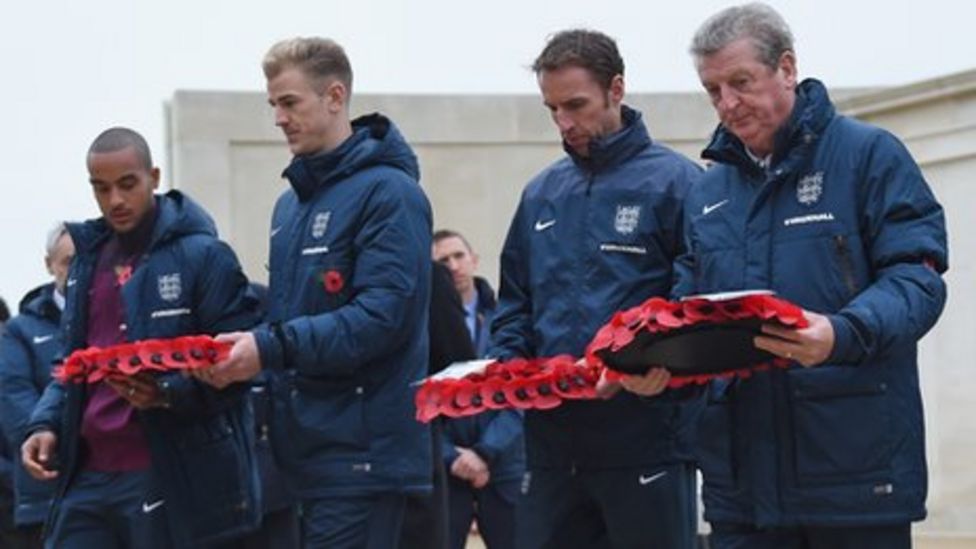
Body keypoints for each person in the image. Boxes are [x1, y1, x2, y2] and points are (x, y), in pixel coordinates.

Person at [625, 4, 947, 549]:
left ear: (788, 68)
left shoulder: (869, 157)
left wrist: (841, 334)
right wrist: (658, 364)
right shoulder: (708, 193)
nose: (727, 103)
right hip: (740, 492)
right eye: (713, 90)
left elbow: (917, 280)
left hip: (854, 478)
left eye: (740, 82)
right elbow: (688, 307)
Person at [196, 37, 433, 548]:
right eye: (273, 106)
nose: (279, 118)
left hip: (363, 456)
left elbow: (382, 317)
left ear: (334, 96)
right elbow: (290, 322)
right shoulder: (290, 208)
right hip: (299, 459)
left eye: (289, 103)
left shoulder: (390, 193)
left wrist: (268, 347)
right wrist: (243, 348)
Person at [489, 29, 704, 549]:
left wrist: (658, 368)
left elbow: (695, 308)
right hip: (548, 449)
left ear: (617, 89)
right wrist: (507, 369)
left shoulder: (680, 184)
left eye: (576, 105)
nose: (565, 123)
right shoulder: (541, 193)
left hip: (647, 440)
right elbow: (514, 304)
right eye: (552, 109)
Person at [20, 127, 262, 548]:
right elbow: (71, 363)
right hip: (88, 476)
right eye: (101, 188)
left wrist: (168, 392)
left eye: (127, 184)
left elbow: (245, 368)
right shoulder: (85, 263)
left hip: (171, 471)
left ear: (154, 175)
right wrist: (45, 424)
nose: (114, 199)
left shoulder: (205, 256)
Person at [433, 229, 524, 549]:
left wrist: (486, 453)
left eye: (459, 256)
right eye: (443, 261)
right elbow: (416, 400)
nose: (454, 266)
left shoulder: (506, 321)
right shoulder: (424, 328)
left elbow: (523, 394)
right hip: (448, 471)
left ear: (474, 260)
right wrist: (449, 456)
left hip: (504, 470)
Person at [0, 223, 74, 548]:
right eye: (68, 262)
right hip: (45, 500)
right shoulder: (19, 332)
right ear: (49, 265)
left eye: (85, 262)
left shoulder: (116, 320)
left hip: (116, 493)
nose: (76, 273)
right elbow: (18, 411)